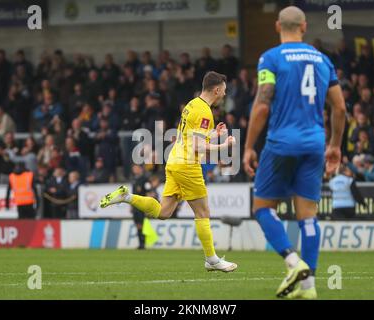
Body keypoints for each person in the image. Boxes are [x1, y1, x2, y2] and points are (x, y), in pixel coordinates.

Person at [242, 6, 346, 299]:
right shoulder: (323, 60)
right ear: (304, 26)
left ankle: (292, 260)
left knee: (262, 208)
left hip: (281, 143)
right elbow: (339, 108)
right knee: (308, 217)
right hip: (314, 144)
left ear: (277, 26)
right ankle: (309, 288)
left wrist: (249, 146)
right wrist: (335, 145)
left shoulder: (270, 58)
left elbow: (263, 104)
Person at [100, 71, 237, 272]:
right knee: (203, 212)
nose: (224, 94)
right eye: (224, 91)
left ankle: (126, 197)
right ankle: (212, 260)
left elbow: (191, 137)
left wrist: (214, 134)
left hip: (173, 161)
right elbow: (198, 147)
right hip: (187, 164)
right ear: (216, 89)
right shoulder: (205, 112)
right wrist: (224, 145)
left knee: (163, 212)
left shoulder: (192, 105)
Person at [130, 164, 152, 250]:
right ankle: (140, 244)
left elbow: (148, 191)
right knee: (137, 224)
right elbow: (133, 194)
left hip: (142, 205)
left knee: (142, 224)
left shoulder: (144, 179)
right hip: (135, 205)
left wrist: (148, 206)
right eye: (133, 168)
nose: (134, 170)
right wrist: (131, 205)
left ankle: (143, 244)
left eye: (136, 168)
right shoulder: (134, 179)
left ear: (140, 169)